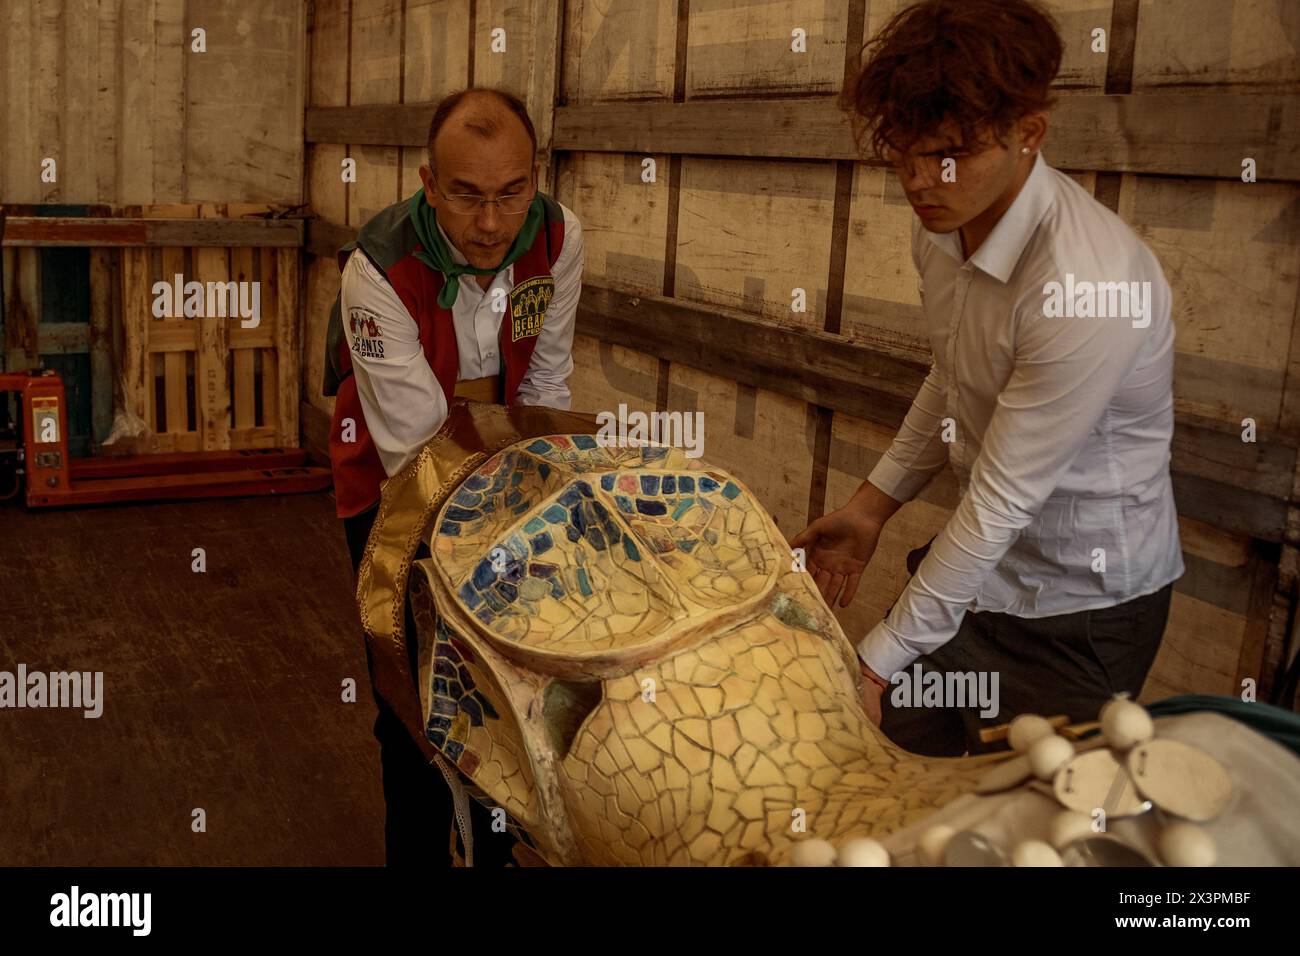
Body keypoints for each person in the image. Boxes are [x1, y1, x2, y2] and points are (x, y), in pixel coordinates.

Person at [792, 0, 1182, 756]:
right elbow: (956, 372)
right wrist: (873, 506)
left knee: (1019, 813)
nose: (916, 182)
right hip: (977, 579)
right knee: (892, 769)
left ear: (1028, 133)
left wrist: (873, 662)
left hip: (1079, 615)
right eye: (900, 156)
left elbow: (1001, 500)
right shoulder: (944, 218)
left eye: (945, 155)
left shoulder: (1087, 286)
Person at [323, 87, 585, 863]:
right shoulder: (376, 268)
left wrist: (542, 511)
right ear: (428, 184)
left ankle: (494, 853)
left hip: (503, 469)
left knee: (508, 695)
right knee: (412, 696)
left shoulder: (562, 239)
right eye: (467, 197)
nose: (493, 224)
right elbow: (414, 447)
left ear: (535, 176)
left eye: (512, 194)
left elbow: (544, 390)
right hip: (392, 483)